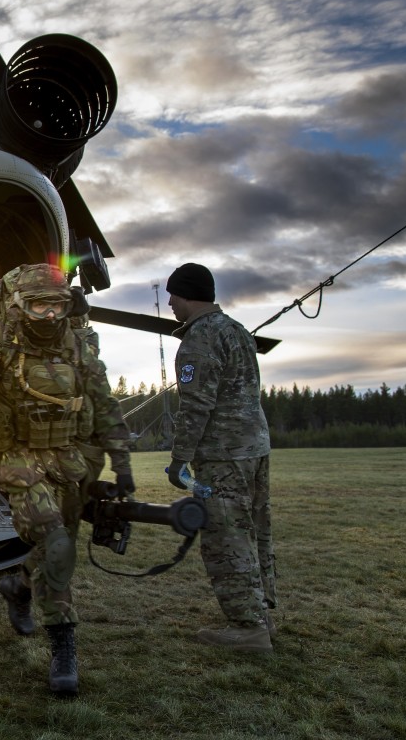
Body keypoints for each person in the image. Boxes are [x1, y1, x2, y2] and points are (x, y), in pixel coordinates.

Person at [0, 263, 133, 696]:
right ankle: (63, 645)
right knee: (55, 542)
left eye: (56, 307)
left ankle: (18, 586)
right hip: (15, 459)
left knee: (57, 546)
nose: (48, 316)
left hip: (68, 460)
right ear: (20, 307)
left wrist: (121, 459)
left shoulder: (77, 347)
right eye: (38, 306)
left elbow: (102, 398)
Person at [165, 262, 276, 653]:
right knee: (254, 531)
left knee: (226, 536)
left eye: (173, 296)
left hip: (222, 458)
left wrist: (179, 461)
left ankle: (248, 627)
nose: (170, 304)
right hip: (254, 449)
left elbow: (196, 406)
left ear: (185, 294)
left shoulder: (197, 340)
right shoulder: (237, 331)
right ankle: (262, 615)